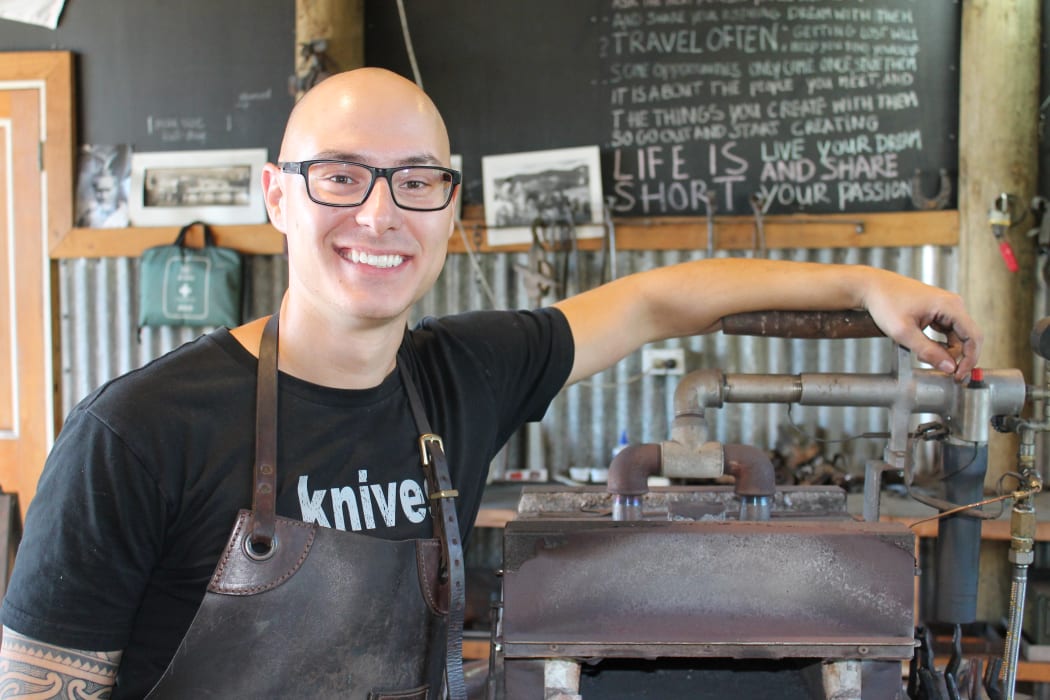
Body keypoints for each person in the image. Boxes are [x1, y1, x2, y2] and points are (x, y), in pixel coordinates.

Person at [0, 68, 981, 699]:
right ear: (277, 195)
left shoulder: (459, 376)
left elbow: (656, 302)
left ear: (449, 202)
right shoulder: (136, 433)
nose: (380, 215)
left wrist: (864, 283)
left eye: (415, 180)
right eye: (341, 175)